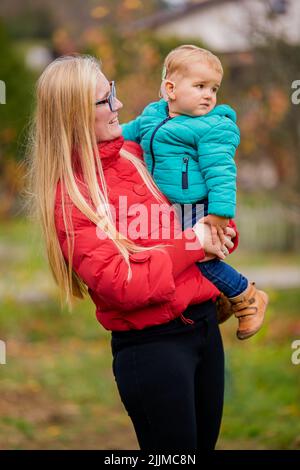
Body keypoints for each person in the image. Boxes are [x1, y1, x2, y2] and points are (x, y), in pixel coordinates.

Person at [28, 54, 238, 451]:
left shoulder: (139, 154)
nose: (119, 105)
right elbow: (122, 283)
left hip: (206, 328)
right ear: (74, 115)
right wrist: (195, 243)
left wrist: (219, 228)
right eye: (105, 99)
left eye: (114, 92)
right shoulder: (71, 198)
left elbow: (199, 211)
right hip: (154, 348)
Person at [121, 44, 269, 340]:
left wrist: (220, 214)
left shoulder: (212, 127)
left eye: (213, 89)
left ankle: (246, 296)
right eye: (200, 86)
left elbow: (222, 173)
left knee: (199, 255)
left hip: (199, 206)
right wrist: (94, 135)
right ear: (170, 89)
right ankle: (216, 297)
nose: (209, 95)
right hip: (169, 207)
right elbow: (127, 132)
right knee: (174, 257)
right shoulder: (153, 115)